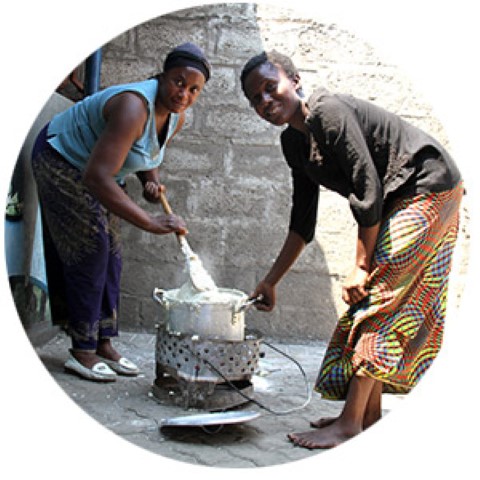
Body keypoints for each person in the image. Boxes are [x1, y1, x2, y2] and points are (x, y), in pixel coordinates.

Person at [241, 51, 463, 449]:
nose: (265, 102)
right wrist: (271, 281)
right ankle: (367, 415)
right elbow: (302, 221)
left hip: (428, 186)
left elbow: (367, 191)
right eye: (255, 99)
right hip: (400, 197)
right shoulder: (293, 142)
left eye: (270, 88)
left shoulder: (328, 112)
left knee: (376, 297)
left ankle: (349, 425)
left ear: (294, 78)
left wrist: (361, 266)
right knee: (379, 300)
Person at [31, 42, 211, 382]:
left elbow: (147, 154)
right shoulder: (133, 106)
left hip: (100, 170)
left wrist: (151, 182)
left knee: (112, 255)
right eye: (177, 81)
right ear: (162, 75)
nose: (183, 93)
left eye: (193, 89)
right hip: (62, 159)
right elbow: (96, 177)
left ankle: (105, 343)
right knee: (92, 249)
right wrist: (151, 222)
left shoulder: (177, 117)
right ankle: (82, 350)